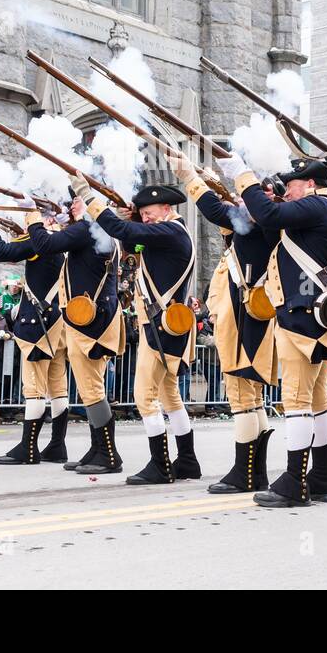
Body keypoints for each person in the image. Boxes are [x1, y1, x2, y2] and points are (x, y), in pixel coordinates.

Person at [219, 155, 327, 509]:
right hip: (313, 318)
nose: (287, 194)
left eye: (291, 187)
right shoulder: (323, 209)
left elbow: (270, 216)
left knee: (296, 402)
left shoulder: (317, 206)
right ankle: (322, 478)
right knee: (318, 402)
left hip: (301, 321)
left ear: (309, 186)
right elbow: (270, 215)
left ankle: (295, 482)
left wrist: (243, 174)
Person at [84, 176, 202, 485]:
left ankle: (160, 465)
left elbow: (126, 232)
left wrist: (90, 200)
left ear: (166, 208)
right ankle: (187, 461)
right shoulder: (164, 233)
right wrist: (128, 216)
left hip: (162, 327)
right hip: (161, 324)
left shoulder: (170, 232)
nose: (145, 218)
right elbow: (131, 242)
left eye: (149, 212)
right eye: (144, 213)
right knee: (169, 395)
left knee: (144, 397)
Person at [174, 155, 278, 494]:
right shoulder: (263, 219)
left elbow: (217, 211)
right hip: (245, 311)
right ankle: (254, 472)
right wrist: (209, 177)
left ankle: (244, 472)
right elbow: (225, 209)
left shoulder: (261, 219)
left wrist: (190, 177)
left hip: (244, 312)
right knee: (250, 395)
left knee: (241, 394)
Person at [27, 195, 126, 474]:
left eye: (78, 201)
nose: (72, 205)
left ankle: (108, 454)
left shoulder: (88, 228)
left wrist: (32, 216)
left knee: (92, 389)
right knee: (88, 388)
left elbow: (44, 245)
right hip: (93, 320)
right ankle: (97, 449)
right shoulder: (96, 229)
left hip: (90, 325)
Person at [0, 213, 70, 465]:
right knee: (57, 388)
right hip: (58, 325)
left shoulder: (40, 240)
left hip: (37, 327)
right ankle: (56, 445)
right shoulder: (61, 240)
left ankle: (28, 448)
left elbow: (0, 252)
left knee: (34, 389)